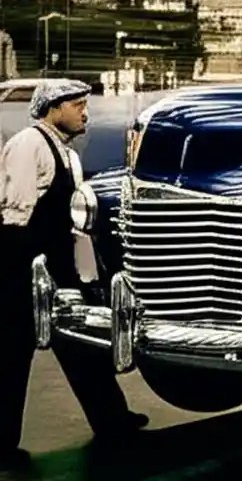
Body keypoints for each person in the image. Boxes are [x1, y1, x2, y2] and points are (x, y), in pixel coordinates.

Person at [1, 80, 147, 467]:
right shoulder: (28, 145)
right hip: (27, 271)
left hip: (62, 271)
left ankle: (112, 421)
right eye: (77, 105)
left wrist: (86, 274)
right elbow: (16, 216)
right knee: (12, 356)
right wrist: (24, 277)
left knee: (82, 347)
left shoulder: (68, 155)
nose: (85, 111)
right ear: (52, 109)